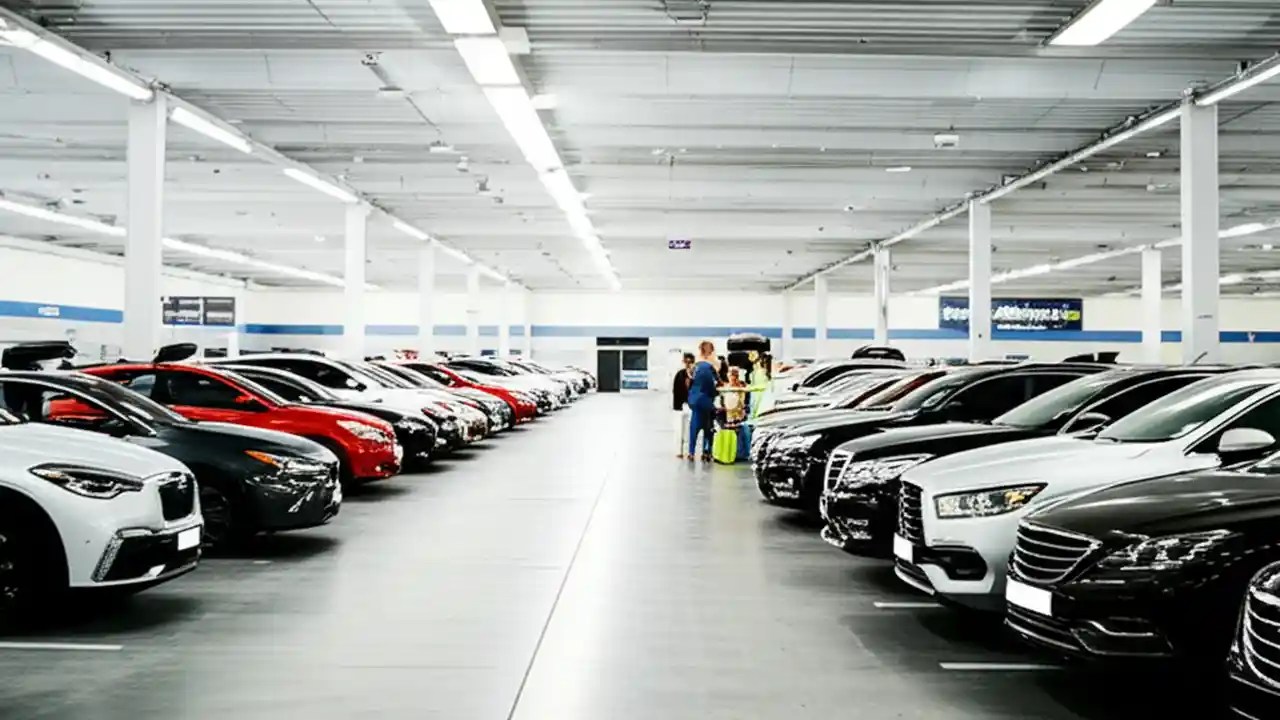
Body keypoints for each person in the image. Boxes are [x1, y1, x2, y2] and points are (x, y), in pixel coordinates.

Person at [687, 340, 719, 461]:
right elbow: (715, 383)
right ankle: (707, 452)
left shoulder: (695, 365)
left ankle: (691, 452)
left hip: (694, 400)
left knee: (694, 426)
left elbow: (689, 381)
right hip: (706, 400)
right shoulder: (711, 365)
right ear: (710, 350)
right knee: (708, 426)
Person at [671, 352, 695, 457]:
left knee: (690, 430)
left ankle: (690, 451)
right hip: (680, 406)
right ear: (683, 362)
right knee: (679, 430)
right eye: (686, 362)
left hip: (691, 406)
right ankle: (679, 451)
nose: (688, 364)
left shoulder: (696, 375)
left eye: (690, 362)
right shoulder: (679, 374)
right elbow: (675, 391)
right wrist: (676, 406)